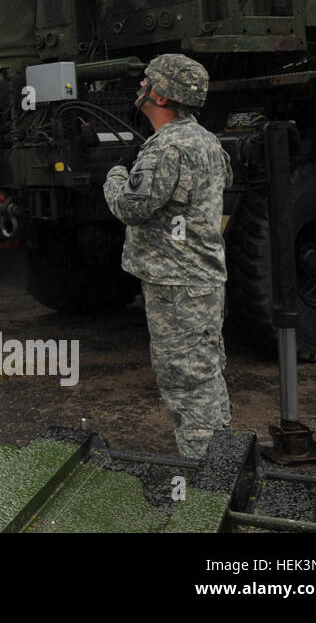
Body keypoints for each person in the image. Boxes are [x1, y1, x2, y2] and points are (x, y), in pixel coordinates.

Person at [103, 53, 233, 459]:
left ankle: (207, 482)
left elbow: (131, 207)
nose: (141, 87)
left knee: (185, 381)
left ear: (160, 95)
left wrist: (115, 177)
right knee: (206, 374)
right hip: (201, 282)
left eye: (147, 81)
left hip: (176, 284)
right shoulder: (206, 140)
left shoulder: (166, 149)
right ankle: (224, 461)